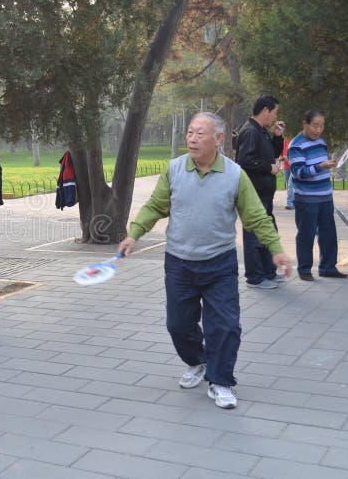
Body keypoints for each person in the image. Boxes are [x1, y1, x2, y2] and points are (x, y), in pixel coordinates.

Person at [118, 112, 292, 409]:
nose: (193, 138)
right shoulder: (174, 170)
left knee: (224, 325)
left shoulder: (235, 174)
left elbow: (255, 217)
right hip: (179, 264)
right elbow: (156, 206)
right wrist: (134, 234)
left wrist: (276, 248)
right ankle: (197, 361)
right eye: (190, 133)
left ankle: (221, 380)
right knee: (178, 325)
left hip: (219, 263)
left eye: (200, 133)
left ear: (219, 139)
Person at [287, 109, 348, 281]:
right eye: (315, 125)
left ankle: (328, 267)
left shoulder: (321, 141)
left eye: (321, 126)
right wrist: (320, 166)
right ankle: (304, 269)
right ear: (305, 124)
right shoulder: (296, 145)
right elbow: (298, 172)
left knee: (329, 234)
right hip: (306, 199)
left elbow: (320, 164)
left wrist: (329, 164)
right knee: (306, 235)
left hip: (325, 197)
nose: (318, 130)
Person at [234, 95, 285, 289]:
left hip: (264, 193)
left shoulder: (261, 131)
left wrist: (278, 136)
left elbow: (272, 153)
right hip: (253, 193)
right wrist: (268, 168)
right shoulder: (249, 132)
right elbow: (244, 161)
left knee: (267, 233)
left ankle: (269, 273)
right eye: (274, 112)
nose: (275, 116)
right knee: (254, 236)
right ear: (265, 110)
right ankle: (255, 277)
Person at [281, 133, 295, 210]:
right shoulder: (285, 140)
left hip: (293, 165)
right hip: (286, 166)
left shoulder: (295, 140)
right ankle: (294, 201)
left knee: (291, 184)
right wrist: (281, 157)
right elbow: (282, 151)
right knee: (289, 184)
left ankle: (289, 203)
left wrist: (288, 158)